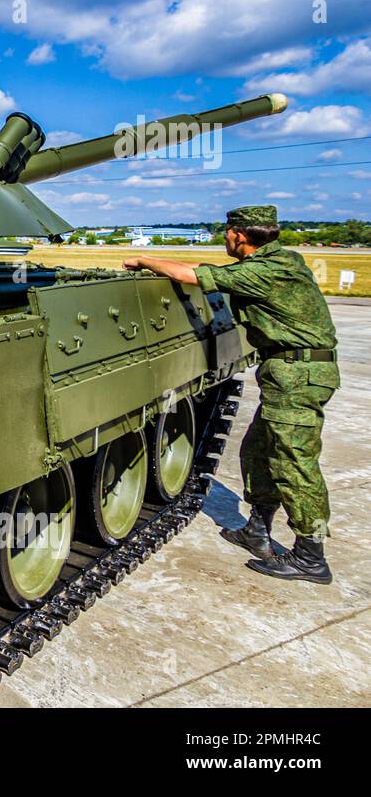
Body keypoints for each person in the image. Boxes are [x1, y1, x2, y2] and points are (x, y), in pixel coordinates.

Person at [122, 205, 338, 585]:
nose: (224, 237)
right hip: (288, 373)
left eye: (226, 231)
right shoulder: (280, 260)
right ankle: (257, 527)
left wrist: (142, 258)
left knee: (294, 462)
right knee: (257, 451)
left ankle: (311, 556)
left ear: (239, 235)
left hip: (299, 375)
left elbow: (194, 275)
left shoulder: (267, 270)